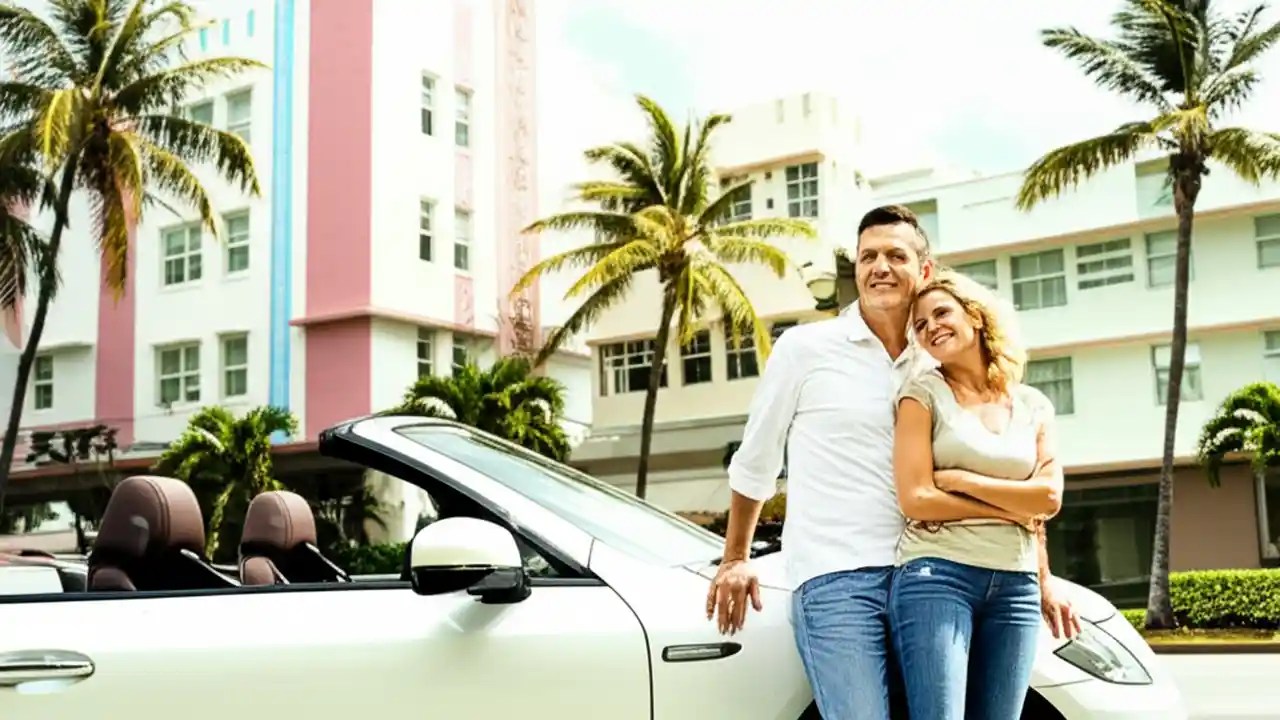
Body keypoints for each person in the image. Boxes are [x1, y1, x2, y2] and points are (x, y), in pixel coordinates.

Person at [705, 205, 1080, 720]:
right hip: (838, 575)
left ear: (924, 271)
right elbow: (757, 459)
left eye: (895, 255)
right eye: (868, 256)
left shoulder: (939, 356)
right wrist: (735, 558)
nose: (879, 266)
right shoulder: (805, 349)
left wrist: (1042, 575)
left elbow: (1008, 473)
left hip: (932, 573)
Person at [890, 269, 1062, 719]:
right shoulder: (921, 393)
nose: (931, 329)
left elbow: (1047, 498)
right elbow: (916, 500)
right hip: (937, 575)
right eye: (921, 326)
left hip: (1016, 582)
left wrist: (963, 481)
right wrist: (1011, 510)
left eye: (941, 313)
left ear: (976, 316)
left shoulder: (1032, 405)